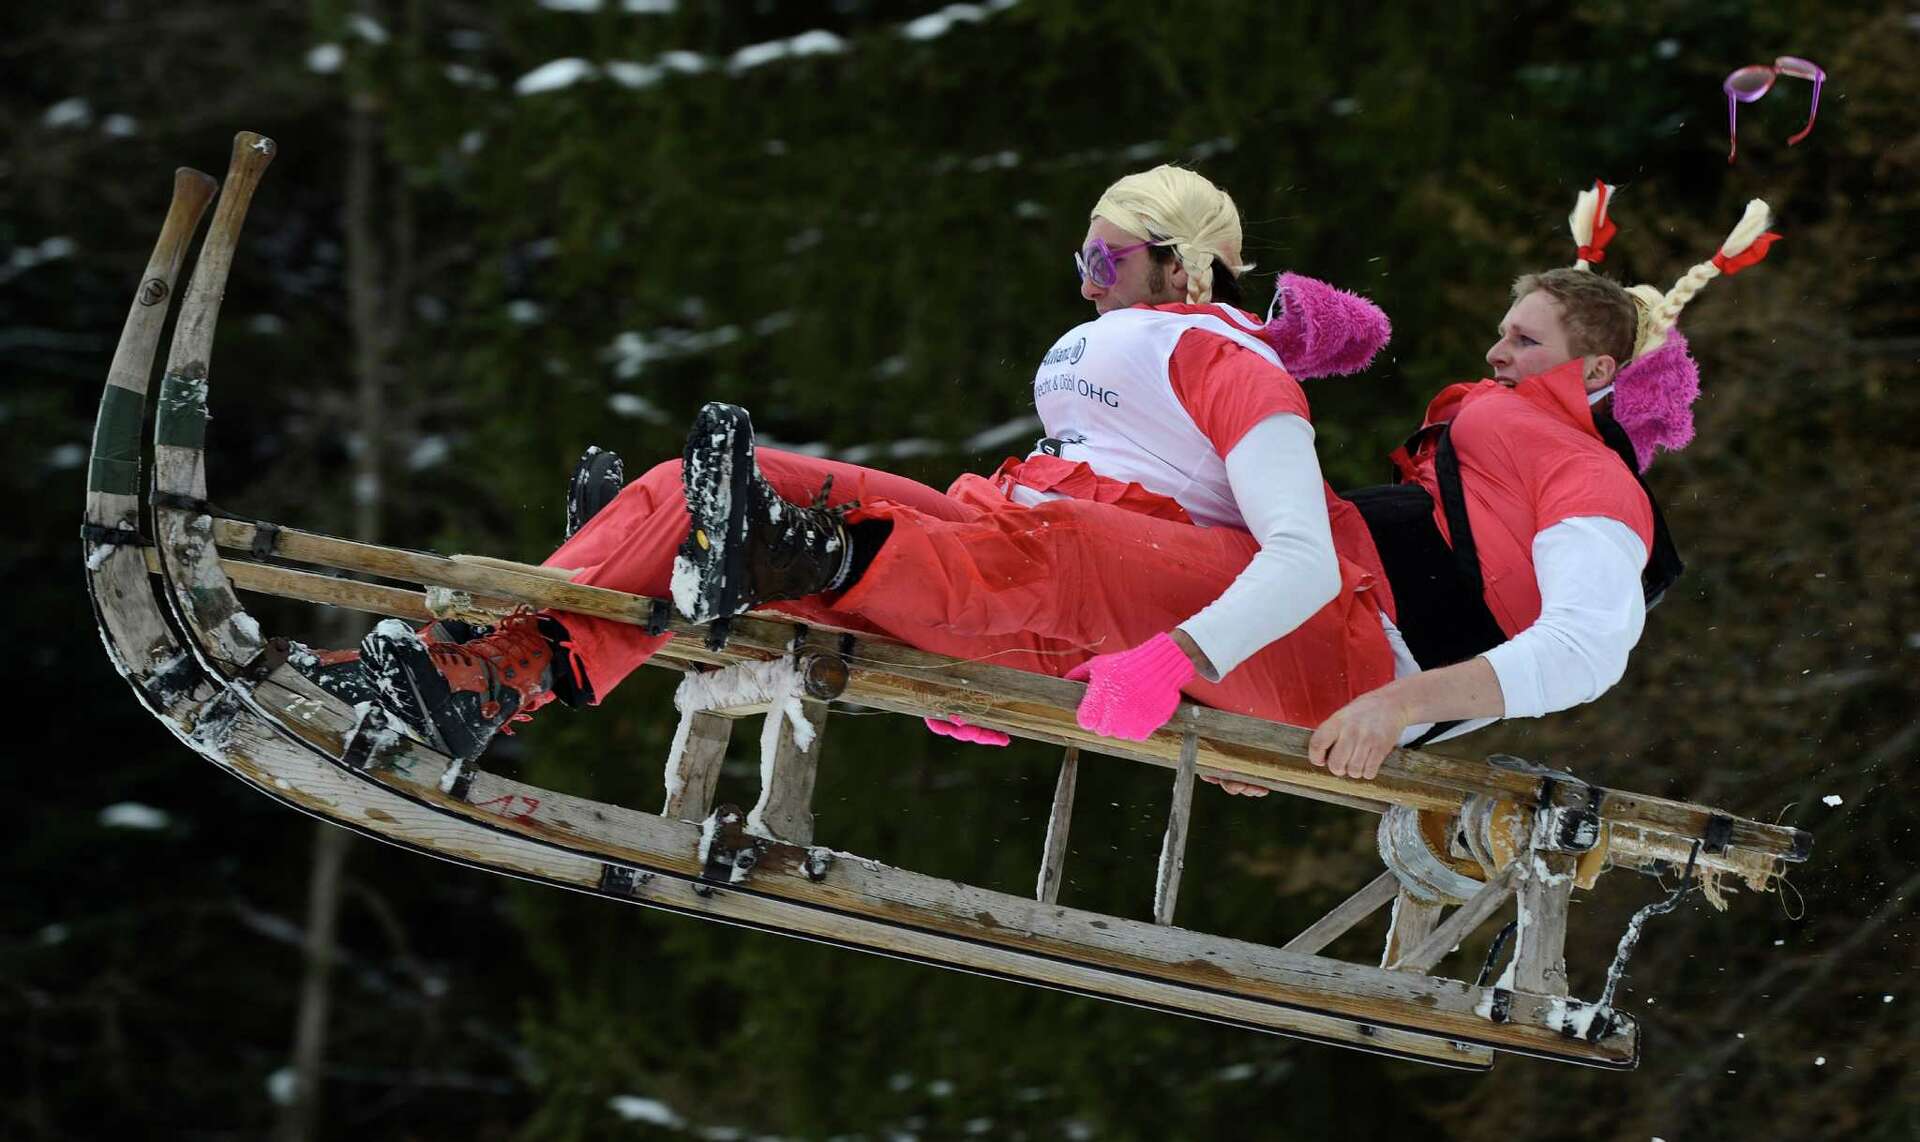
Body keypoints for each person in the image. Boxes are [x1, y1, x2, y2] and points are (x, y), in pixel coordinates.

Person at [341, 165, 1405, 764]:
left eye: (1103, 260)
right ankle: (491, 669)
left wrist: (1174, 659)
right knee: (693, 481)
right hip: (1045, 563)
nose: (1084, 285)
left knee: (1038, 537)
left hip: (1220, 626)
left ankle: (791, 556)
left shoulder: (1235, 365)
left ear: (1180, 264)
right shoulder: (1122, 369)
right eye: (1079, 261)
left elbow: (1305, 561)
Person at [1210, 183, 1780, 790]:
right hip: (1304, 615)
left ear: (1596, 370)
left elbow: (1580, 648)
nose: (1494, 354)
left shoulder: (1590, 478)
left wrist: (1392, 705)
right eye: (1504, 333)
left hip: (1337, 639)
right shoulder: (1505, 448)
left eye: (1525, 342)